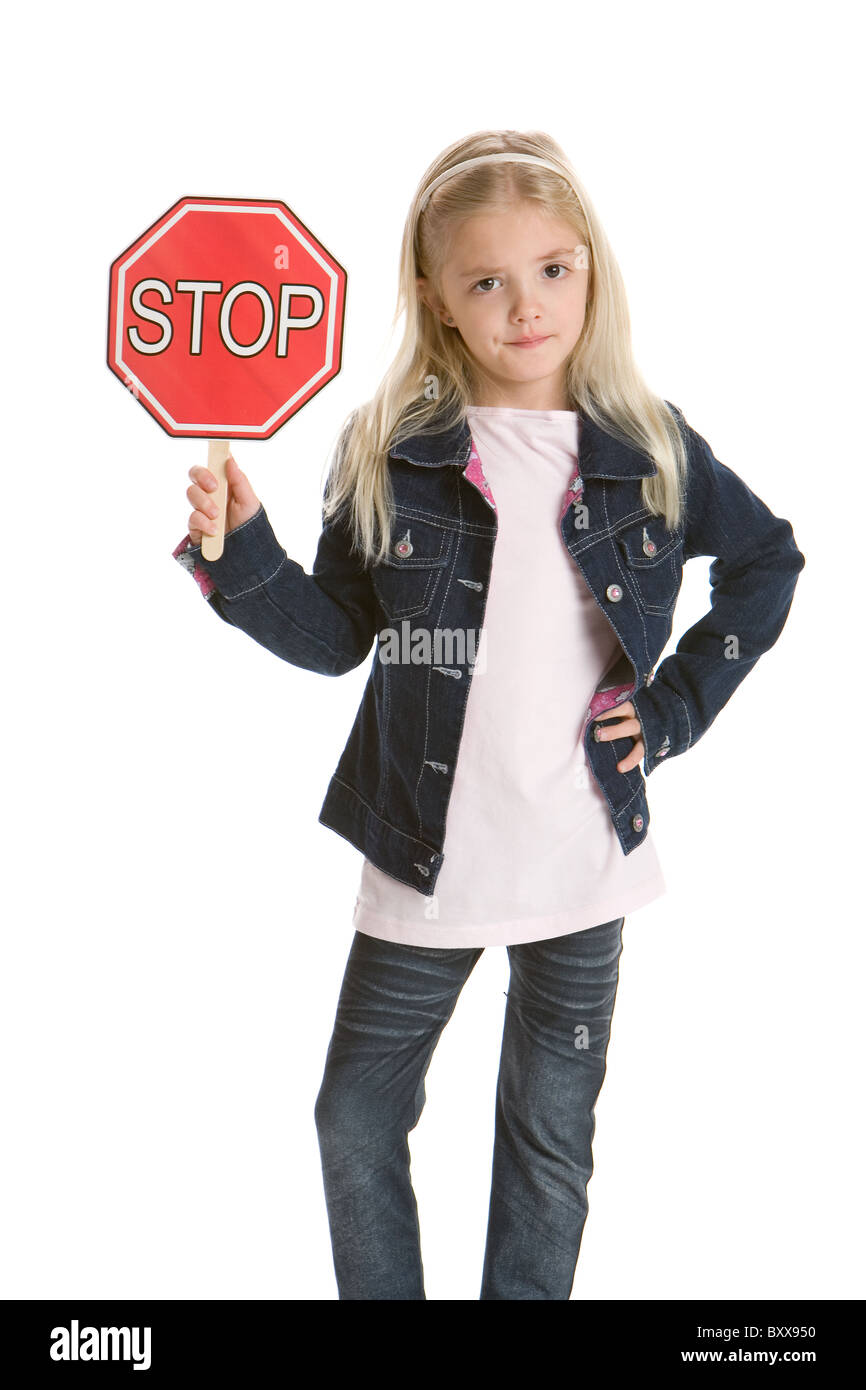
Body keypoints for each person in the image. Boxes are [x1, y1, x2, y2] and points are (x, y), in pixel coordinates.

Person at [171, 130, 805, 1299]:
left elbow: (767, 562)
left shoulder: (650, 448)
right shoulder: (390, 452)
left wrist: (668, 714)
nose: (526, 308)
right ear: (435, 300)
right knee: (354, 1115)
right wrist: (236, 551)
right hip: (428, 854)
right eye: (486, 281)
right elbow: (333, 638)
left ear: (590, 271)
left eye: (553, 270)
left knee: (548, 1144)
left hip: (581, 861)